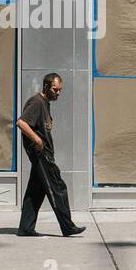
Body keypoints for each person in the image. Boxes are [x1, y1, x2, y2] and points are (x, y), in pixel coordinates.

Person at [15, 73, 85, 237]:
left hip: (42, 154)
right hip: (41, 155)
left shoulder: (45, 103)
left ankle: (26, 227)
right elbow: (21, 122)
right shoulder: (37, 102)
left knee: (35, 191)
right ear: (46, 87)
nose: (58, 93)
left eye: (60, 90)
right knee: (58, 187)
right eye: (55, 89)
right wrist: (37, 140)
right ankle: (67, 226)